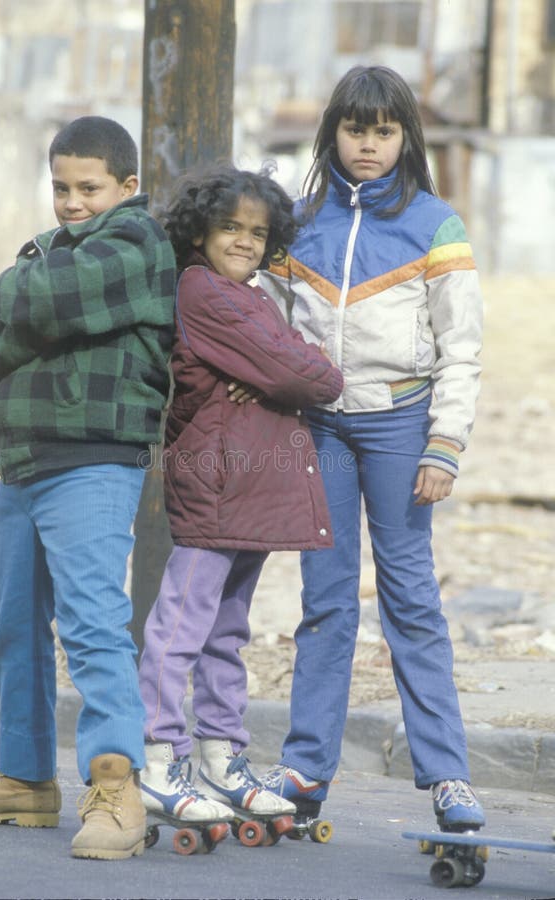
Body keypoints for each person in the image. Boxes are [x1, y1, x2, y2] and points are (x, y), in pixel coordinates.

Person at [256, 65, 486, 832]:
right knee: (324, 603)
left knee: (411, 600)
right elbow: (268, 327)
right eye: (355, 129)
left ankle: (448, 775)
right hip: (320, 428)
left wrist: (444, 443)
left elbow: (464, 348)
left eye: (384, 131)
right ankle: (305, 768)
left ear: (405, 137)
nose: (368, 144)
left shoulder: (436, 225)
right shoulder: (296, 221)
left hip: (401, 429)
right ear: (332, 133)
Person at [0, 116, 176, 860]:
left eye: (89, 188)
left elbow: (39, 303)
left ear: (128, 187)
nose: (72, 202)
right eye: (60, 188)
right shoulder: (46, 253)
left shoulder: (138, 243)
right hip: (23, 461)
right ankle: (24, 778)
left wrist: (25, 293)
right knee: (13, 624)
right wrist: (36, 298)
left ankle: (116, 785)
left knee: (92, 624)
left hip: (93, 458)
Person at [136, 164, 344, 830]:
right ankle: (158, 760)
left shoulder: (252, 295)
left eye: (258, 233)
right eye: (230, 227)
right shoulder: (205, 292)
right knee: (181, 626)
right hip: (216, 484)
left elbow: (288, 366)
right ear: (201, 230)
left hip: (246, 489)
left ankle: (221, 759)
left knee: (225, 631)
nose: (245, 242)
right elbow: (312, 375)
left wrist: (282, 366)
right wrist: (286, 367)